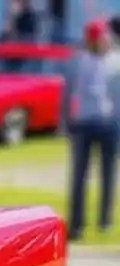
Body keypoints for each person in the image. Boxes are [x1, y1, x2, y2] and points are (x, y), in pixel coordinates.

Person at [65, 20, 120, 241]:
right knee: (79, 175)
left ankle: (105, 219)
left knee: (108, 173)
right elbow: (67, 93)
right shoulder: (78, 61)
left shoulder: (115, 61)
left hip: (108, 122)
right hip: (83, 123)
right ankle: (77, 223)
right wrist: (65, 122)